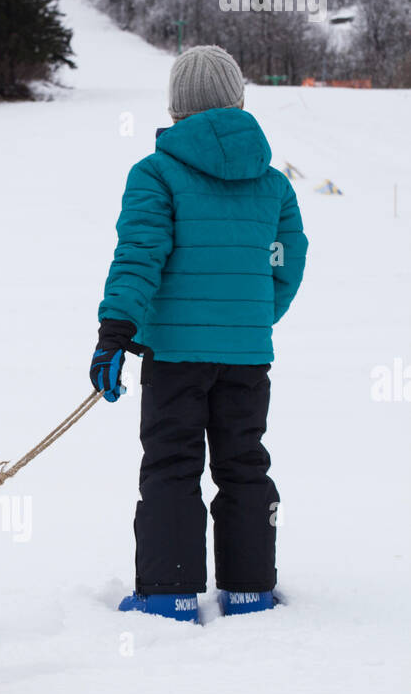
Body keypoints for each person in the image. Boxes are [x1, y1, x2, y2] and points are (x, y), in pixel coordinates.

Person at [90, 44, 308, 621]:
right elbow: (285, 263)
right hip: (246, 356)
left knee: (171, 466)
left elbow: (140, 255)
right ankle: (249, 592)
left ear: (176, 108)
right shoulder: (274, 184)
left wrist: (115, 332)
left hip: (174, 357)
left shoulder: (155, 173)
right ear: (239, 101)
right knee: (244, 466)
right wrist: (248, 318)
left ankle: (170, 595)